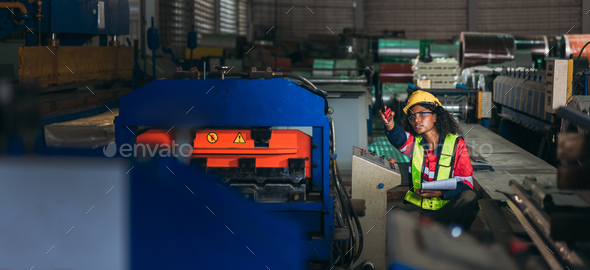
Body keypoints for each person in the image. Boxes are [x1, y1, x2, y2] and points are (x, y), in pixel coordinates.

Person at [379, 90, 479, 230]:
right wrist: (389, 122)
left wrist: (441, 192)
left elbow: (466, 182)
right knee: (392, 220)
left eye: (422, 114)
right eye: (412, 116)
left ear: (435, 117)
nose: (416, 119)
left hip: (447, 209)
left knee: (469, 197)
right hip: (419, 209)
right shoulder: (415, 143)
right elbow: (398, 137)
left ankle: (456, 238)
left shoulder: (456, 144)